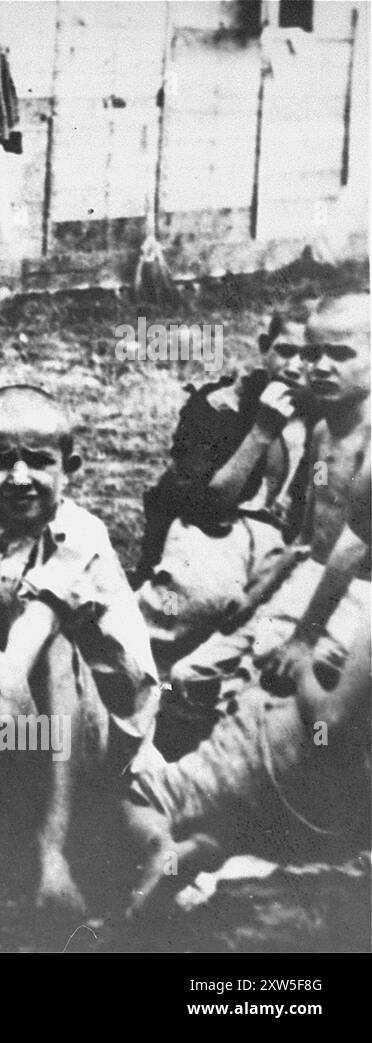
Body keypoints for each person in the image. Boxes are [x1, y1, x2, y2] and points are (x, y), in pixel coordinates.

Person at [0, 386, 161, 914]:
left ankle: (50, 849)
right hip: (22, 707)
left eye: (38, 462)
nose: (19, 478)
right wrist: (3, 691)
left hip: (100, 721)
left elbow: (37, 627)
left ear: (69, 467)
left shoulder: (79, 533)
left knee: (54, 647)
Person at [167, 294, 370, 746]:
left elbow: (350, 551)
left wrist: (302, 640)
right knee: (187, 674)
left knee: (266, 690)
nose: (319, 366)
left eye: (341, 354)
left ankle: (243, 783)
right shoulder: (322, 431)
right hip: (307, 578)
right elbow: (307, 534)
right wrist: (259, 591)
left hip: (356, 595)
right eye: (312, 352)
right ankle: (193, 756)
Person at [123, 607, 371, 921]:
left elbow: (328, 723)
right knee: (247, 827)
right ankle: (211, 844)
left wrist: (302, 667)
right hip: (343, 810)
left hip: (292, 753)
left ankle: (164, 850)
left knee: (145, 796)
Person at [136, 308, 311, 672]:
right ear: (265, 347)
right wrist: (261, 432)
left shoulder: (327, 418)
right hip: (213, 532)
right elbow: (206, 505)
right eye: (286, 351)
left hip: (283, 549)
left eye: (308, 355)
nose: (296, 366)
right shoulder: (221, 405)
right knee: (194, 603)